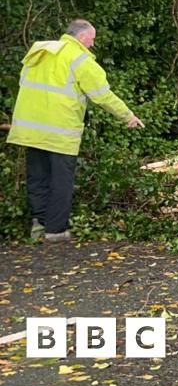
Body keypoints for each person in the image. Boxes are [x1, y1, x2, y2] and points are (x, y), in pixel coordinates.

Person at [6, 20, 143, 242]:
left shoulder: (39, 53)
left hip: (31, 130)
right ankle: (55, 231)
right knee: (61, 182)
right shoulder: (79, 59)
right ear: (81, 37)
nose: (93, 43)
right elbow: (103, 96)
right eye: (92, 38)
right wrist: (128, 116)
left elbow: (25, 85)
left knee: (38, 178)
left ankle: (38, 225)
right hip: (60, 132)